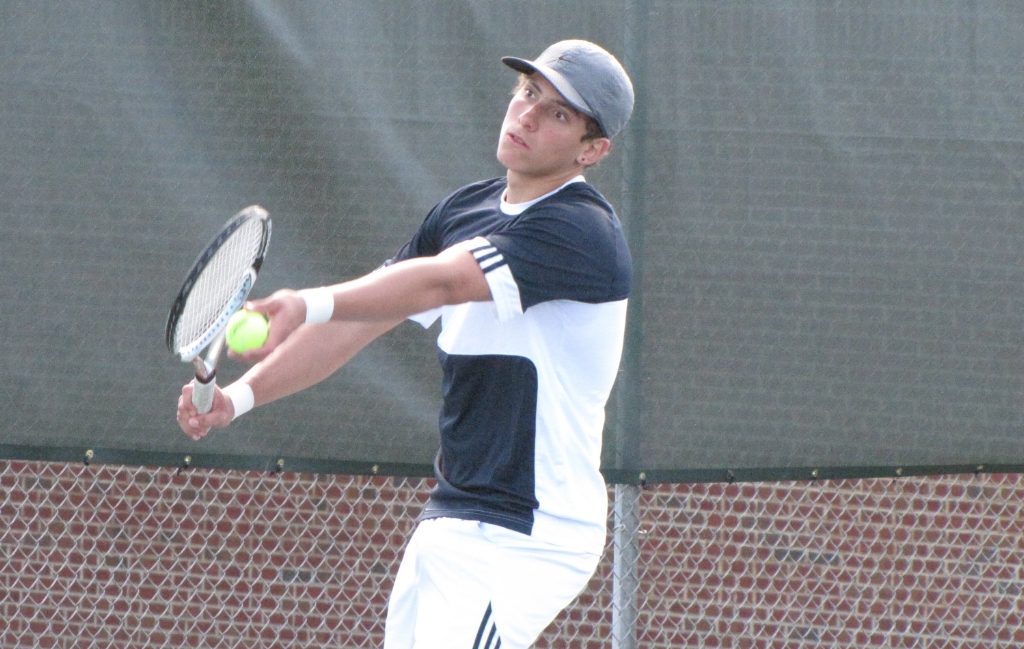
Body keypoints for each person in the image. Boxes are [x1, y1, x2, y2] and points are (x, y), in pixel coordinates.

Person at [176, 39, 635, 649]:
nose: (526, 114)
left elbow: (443, 281)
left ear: (591, 149)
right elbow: (359, 321)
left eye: (557, 113)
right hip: (450, 521)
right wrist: (238, 398)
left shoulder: (582, 231)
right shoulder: (462, 211)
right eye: (528, 93)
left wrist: (304, 301)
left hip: (528, 535)